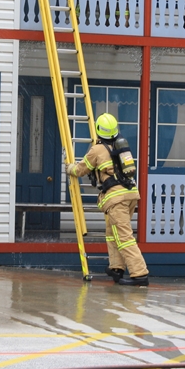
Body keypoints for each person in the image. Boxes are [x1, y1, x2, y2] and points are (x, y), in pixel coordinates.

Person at [67, 112, 149, 285]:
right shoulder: (121, 146)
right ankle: (116, 268)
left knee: (124, 237)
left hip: (116, 199)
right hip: (130, 194)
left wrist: (69, 168)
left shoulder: (97, 150)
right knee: (112, 233)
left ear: (98, 129)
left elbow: (81, 169)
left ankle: (140, 274)